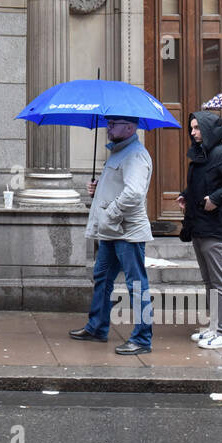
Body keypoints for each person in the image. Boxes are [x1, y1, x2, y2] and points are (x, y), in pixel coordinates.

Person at [69, 116, 154, 355]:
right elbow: (119, 188)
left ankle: (142, 338)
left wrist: (111, 213)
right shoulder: (118, 152)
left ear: (130, 127)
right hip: (112, 231)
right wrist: (98, 190)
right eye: (109, 123)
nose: (109, 128)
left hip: (127, 232)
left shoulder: (135, 154)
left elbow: (134, 194)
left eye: (114, 124)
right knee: (102, 278)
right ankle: (97, 327)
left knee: (136, 284)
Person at [178, 111, 222, 350]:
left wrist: (215, 199)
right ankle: (215, 327)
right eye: (192, 128)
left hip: (215, 227)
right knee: (210, 281)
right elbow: (201, 183)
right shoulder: (203, 154)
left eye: (197, 128)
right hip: (200, 225)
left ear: (208, 129)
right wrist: (186, 195)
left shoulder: (221, 153)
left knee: (220, 281)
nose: (193, 132)